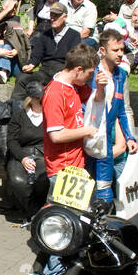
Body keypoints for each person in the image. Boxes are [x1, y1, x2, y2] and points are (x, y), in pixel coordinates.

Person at [87, 30, 138, 202]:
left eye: (122, 50)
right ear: (103, 50)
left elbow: (123, 110)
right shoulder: (91, 72)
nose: (120, 54)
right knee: (86, 183)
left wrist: (130, 136)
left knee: (104, 189)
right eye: (115, 50)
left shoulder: (121, 75)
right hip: (88, 133)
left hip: (107, 137)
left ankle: (102, 221)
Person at [42, 43, 103, 180]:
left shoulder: (76, 85)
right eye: (89, 73)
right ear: (79, 70)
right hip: (62, 168)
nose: (90, 78)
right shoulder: (55, 93)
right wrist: (87, 131)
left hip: (76, 164)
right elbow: (56, 135)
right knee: (60, 203)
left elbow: (98, 99)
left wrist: (100, 86)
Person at [5, 78, 50, 216]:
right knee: (18, 181)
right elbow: (12, 140)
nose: (40, 100)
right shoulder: (19, 116)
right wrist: (23, 158)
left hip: (43, 154)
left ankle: (39, 211)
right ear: (31, 98)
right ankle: (34, 211)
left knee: (42, 179)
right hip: (21, 154)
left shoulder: (50, 115)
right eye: (37, 98)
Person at [107, 4, 138, 73]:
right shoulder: (124, 23)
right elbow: (109, 28)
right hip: (116, 55)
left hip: (130, 61)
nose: (136, 19)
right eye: (134, 15)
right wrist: (129, 35)